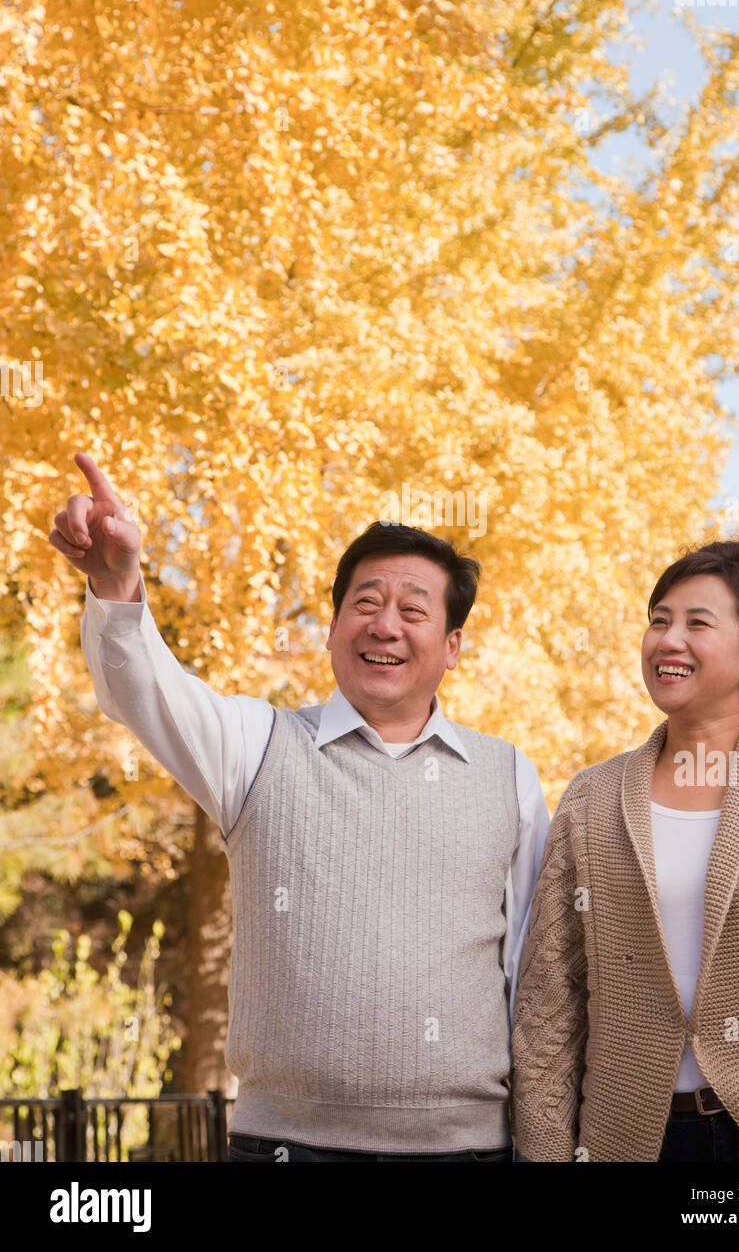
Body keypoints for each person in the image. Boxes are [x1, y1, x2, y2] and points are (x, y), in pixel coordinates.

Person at [49, 451, 549, 1162]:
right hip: (285, 1147)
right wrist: (115, 583)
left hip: (465, 1150)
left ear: (453, 646)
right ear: (333, 626)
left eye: (413, 610)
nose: (384, 625)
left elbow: (535, 973)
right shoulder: (259, 745)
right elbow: (146, 691)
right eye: (365, 603)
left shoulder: (507, 776)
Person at [512, 539, 739, 1162]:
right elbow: (550, 1011)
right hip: (627, 1143)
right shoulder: (591, 800)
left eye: (697, 624)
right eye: (659, 620)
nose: (668, 640)